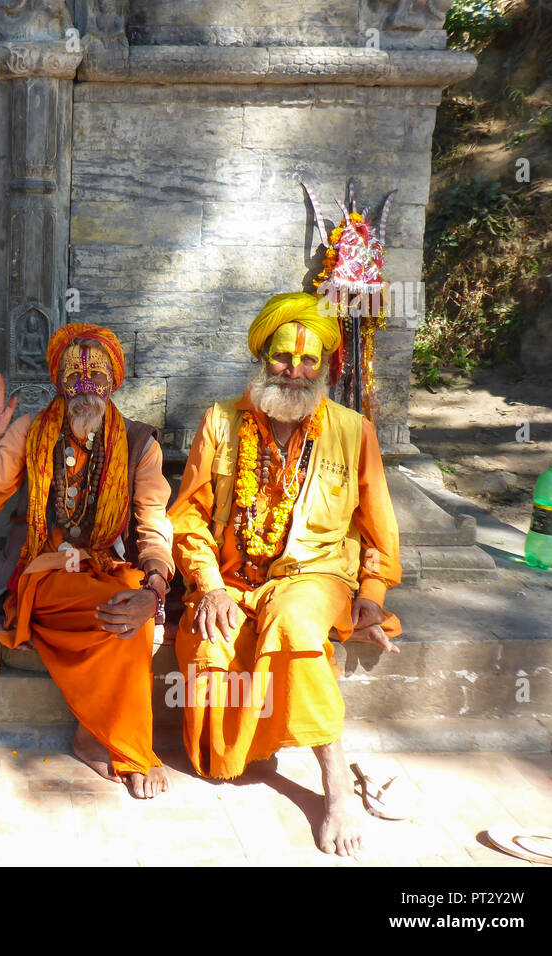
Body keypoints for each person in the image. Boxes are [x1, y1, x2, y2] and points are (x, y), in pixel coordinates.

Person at [168, 291, 402, 855]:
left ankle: (336, 784)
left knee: (293, 622)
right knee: (217, 753)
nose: (293, 372)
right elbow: (188, 516)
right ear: (262, 357)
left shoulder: (352, 429)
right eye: (281, 357)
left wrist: (371, 592)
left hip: (316, 574)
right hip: (233, 578)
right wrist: (211, 585)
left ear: (324, 367)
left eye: (307, 361)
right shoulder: (222, 422)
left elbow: (379, 527)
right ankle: (254, 742)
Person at [0, 324, 174, 799]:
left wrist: (154, 587)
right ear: (59, 384)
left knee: (132, 608)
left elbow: (153, 524)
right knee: (120, 609)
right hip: (43, 572)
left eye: (96, 380)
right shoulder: (33, 431)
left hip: (109, 571)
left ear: (114, 384)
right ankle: (129, 747)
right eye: (75, 379)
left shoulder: (139, 444)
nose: (85, 390)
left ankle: (91, 734)